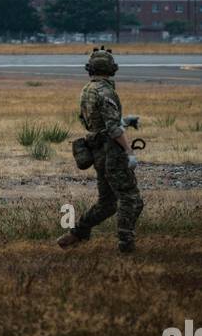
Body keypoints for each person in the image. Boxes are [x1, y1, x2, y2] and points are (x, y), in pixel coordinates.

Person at [57, 47, 144, 255]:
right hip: (111, 153)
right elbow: (113, 129)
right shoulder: (106, 91)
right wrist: (129, 152)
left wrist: (124, 121)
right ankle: (126, 245)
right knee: (131, 199)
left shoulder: (88, 89)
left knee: (107, 203)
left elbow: (97, 123)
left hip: (97, 150)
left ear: (90, 68)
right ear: (112, 68)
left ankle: (78, 233)